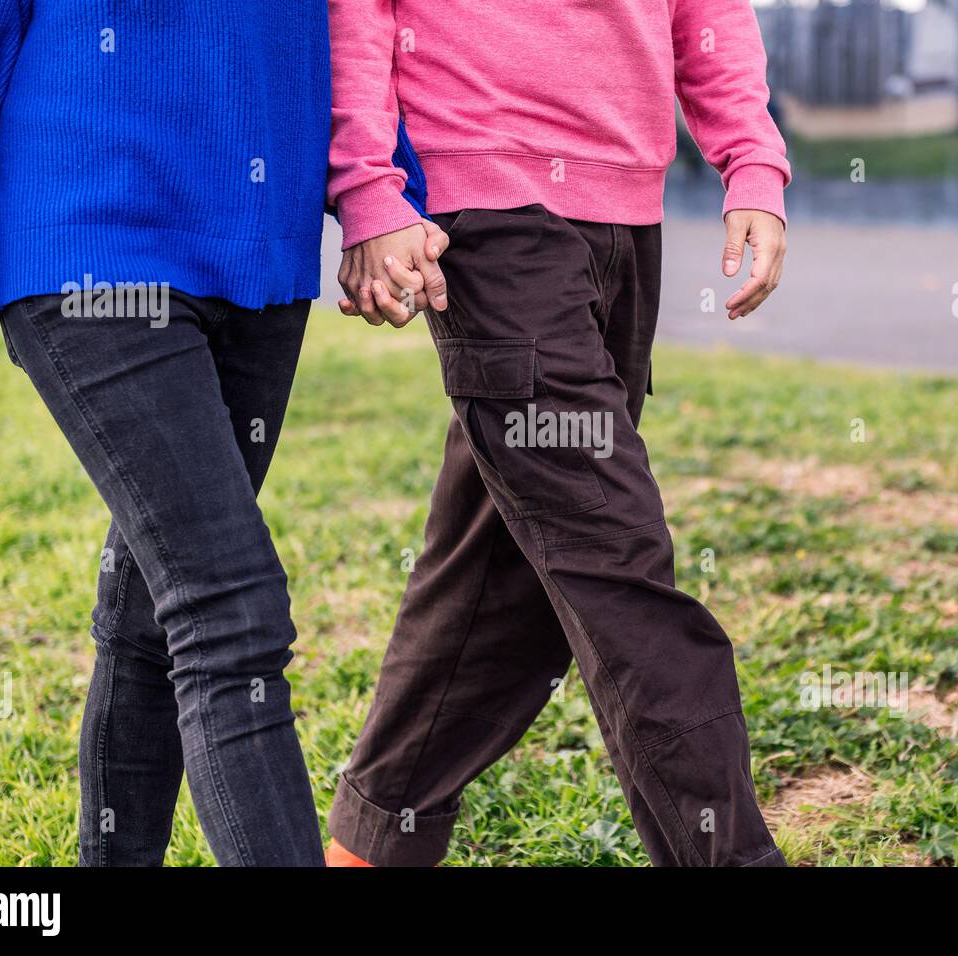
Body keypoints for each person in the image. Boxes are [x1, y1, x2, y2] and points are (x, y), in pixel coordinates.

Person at [0, 0, 441, 866]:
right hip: (84, 238)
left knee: (156, 614)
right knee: (232, 613)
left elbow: (348, 26)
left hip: (258, 252)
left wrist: (382, 193)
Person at [327, 0, 791, 866]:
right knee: (616, 558)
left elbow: (709, 11)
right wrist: (366, 186)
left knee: (497, 572)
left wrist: (752, 160)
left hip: (625, 218)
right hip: (490, 211)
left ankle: (371, 844)